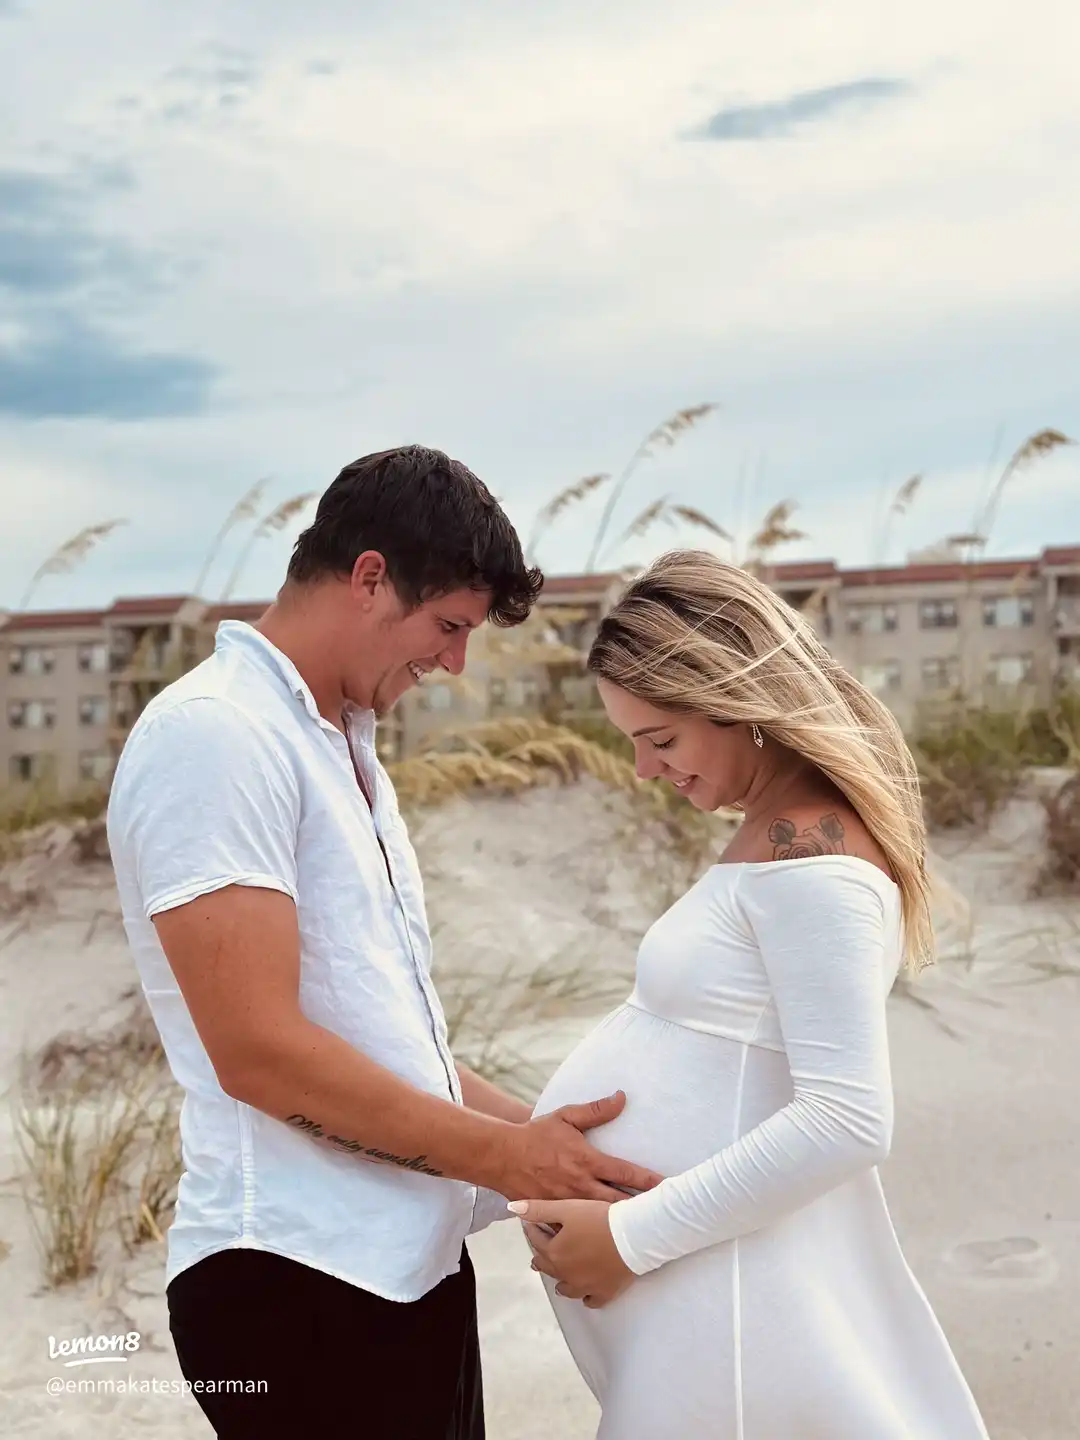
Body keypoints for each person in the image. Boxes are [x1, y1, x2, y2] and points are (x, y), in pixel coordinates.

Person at [106, 446, 662, 1440]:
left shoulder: (343, 746)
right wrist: (507, 1155)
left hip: (407, 1267)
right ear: (369, 579)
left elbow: (382, 1039)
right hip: (291, 1280)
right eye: (448, 626)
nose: (454, 662)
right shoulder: (217, 734)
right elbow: (260, 1052)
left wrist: (550, 1143)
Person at [514, 551, 990, 1438]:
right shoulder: (777, 841)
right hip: (711, 1286)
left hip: (724, 1303)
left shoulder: (817, 865)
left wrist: (627, 1238)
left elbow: (848, 1119)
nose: (647, 770)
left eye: (660, 739)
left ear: (739, 702)